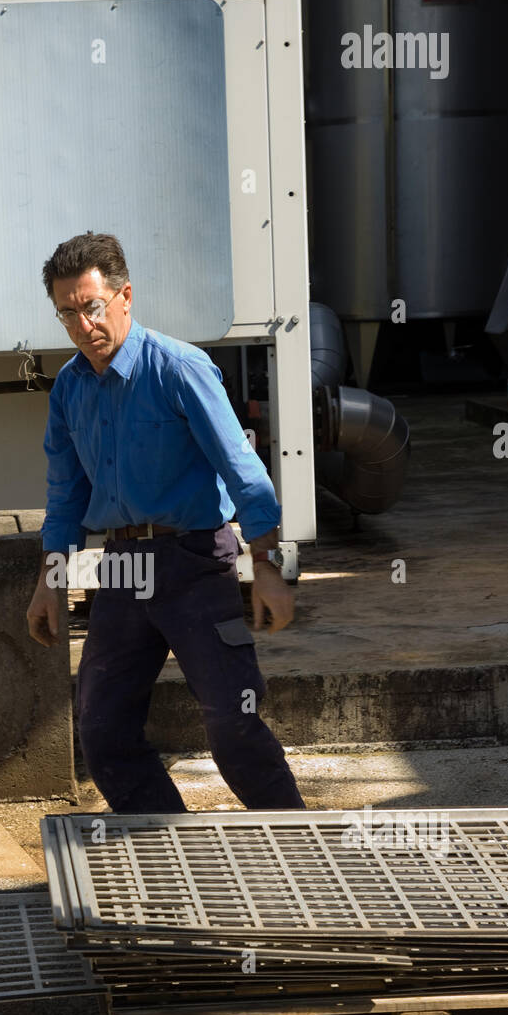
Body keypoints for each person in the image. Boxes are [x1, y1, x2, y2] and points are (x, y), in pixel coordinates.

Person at [26, 231, 305, 814]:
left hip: (196, 562)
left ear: (125, 296)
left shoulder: (179, 369)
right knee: (102, 730)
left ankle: (299, 849)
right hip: (123, 569)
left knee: (234, 725)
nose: (83, 326)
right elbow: (64, 494)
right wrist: (50, 580)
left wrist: (270, 567)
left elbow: (243, 469)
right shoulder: (71, 390)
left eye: (93, 307)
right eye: (67, 314)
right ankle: (173, 857)